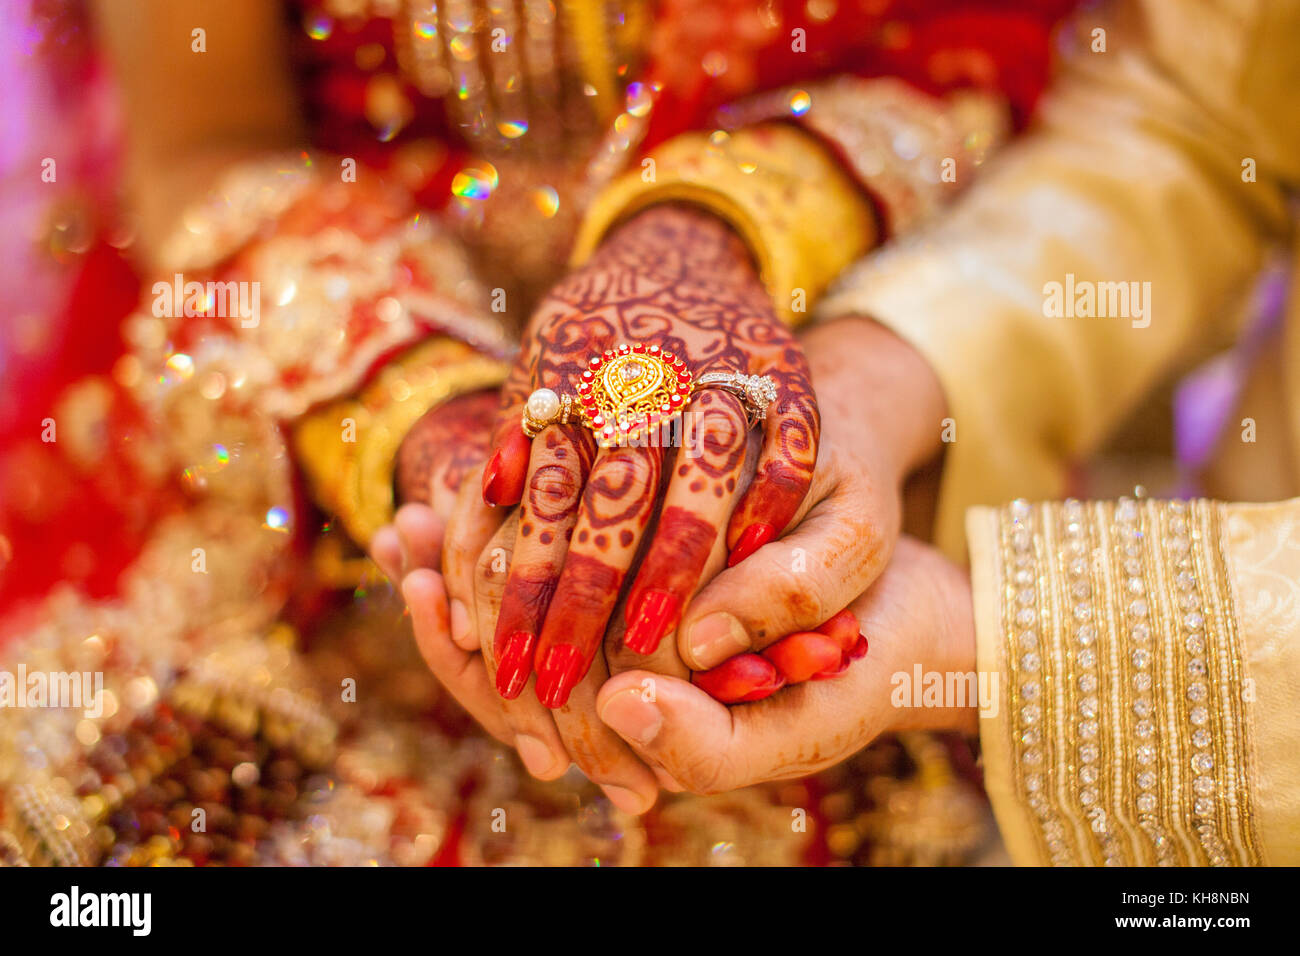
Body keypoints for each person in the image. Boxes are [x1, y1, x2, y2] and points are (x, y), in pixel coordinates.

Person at [0, 0, 1069, 866]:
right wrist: (431, 424)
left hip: (826, 412)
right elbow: (208, 143)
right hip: (322, 433)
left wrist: (699, 240)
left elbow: (982, 51)